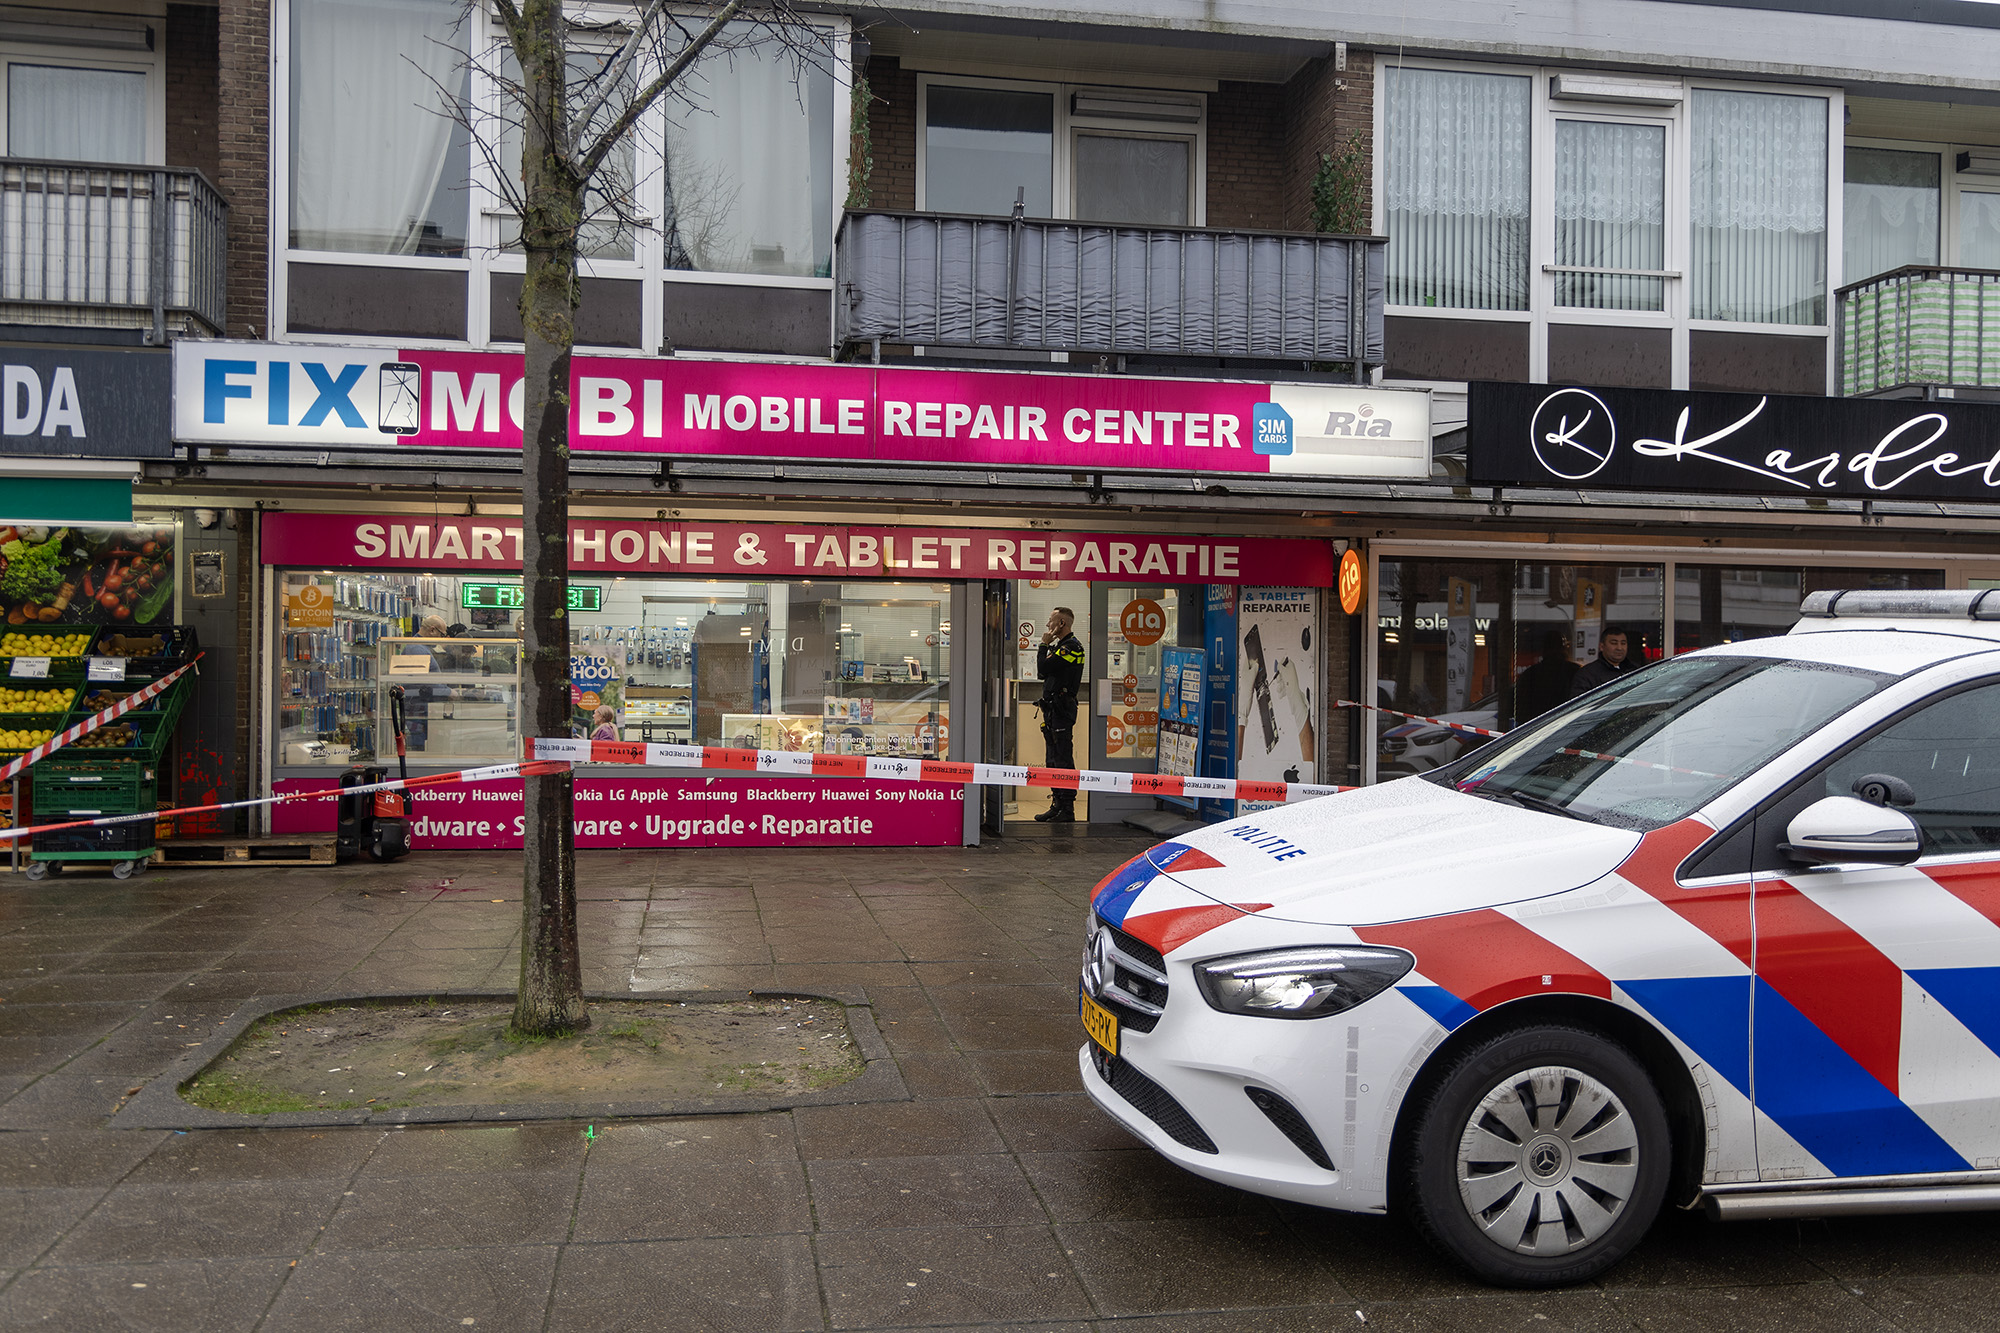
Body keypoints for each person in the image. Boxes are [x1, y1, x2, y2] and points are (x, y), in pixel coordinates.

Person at [1034, 606, 1085, 822]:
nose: (1048, 625)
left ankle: (1067, 808)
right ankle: (1056, 803)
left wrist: (1043, 645)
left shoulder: (1071, 647)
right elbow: (1042, 672)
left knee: (1063, 759)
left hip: (1063, 710)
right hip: (1052, 710)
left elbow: (1042, 669)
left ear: (1061, 623)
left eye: (1051, 620)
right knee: (1052, 759)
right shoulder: (1061, 646)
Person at [1513, 630, 1576, 722]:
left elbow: (1521, 710)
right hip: (1565, 723)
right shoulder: (1574, 671)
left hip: (1537, 726)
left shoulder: (1530, 674)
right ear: (1564, 649)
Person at [1572, 628, 1641, 696]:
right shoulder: (1587, 674)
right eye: (1614, 643)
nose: (1619, 648)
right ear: (1602, 646)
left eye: (1623, 643)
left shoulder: (1635, 670)